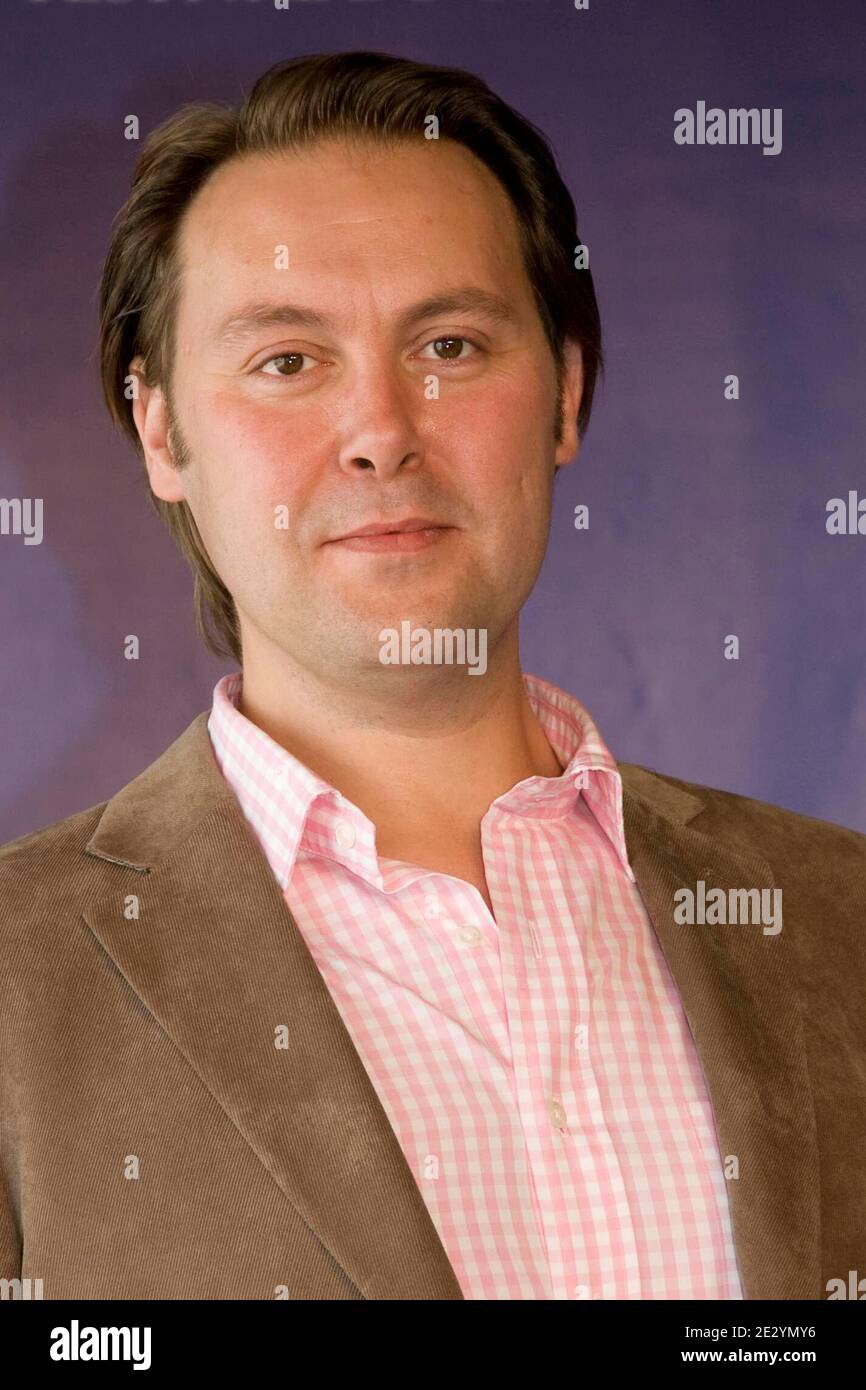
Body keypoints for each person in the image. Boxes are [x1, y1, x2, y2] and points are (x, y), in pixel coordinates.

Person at [1, 51, 864, 1303]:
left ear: (562, 395)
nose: (382, 431)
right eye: (287, 361)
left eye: (450, 344)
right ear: (160, 431)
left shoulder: (839, 920)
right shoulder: (18, 986)